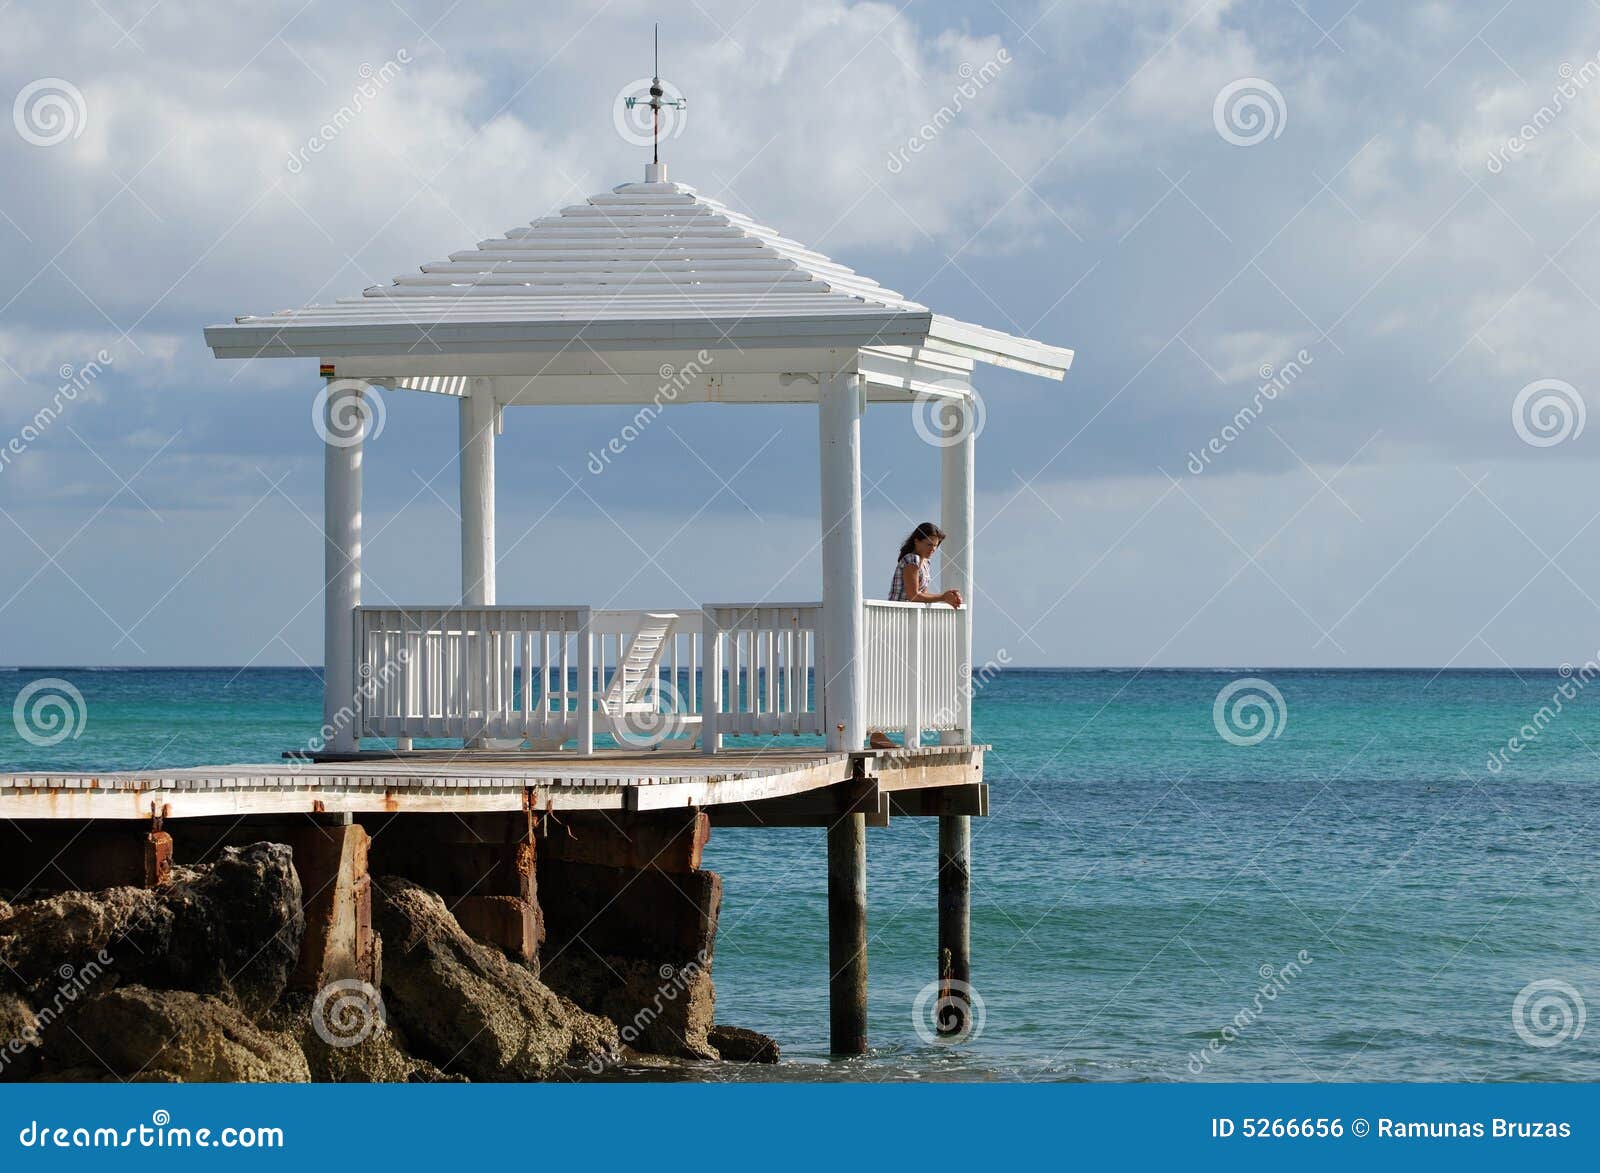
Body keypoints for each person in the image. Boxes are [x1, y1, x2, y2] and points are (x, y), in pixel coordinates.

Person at [871, 522, 962, 749]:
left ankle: (883, 731)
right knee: (889, 679)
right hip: (896, 623)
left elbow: (922, 593)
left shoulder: (926, 563)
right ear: (917, 541)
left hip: (907, 626)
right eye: (929, 544)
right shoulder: (911, 560)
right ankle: (876, 733)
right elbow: (913, 596)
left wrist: (946, 596)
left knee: (899, 679)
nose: (933, 549)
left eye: (936, 546)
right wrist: (943, 597)